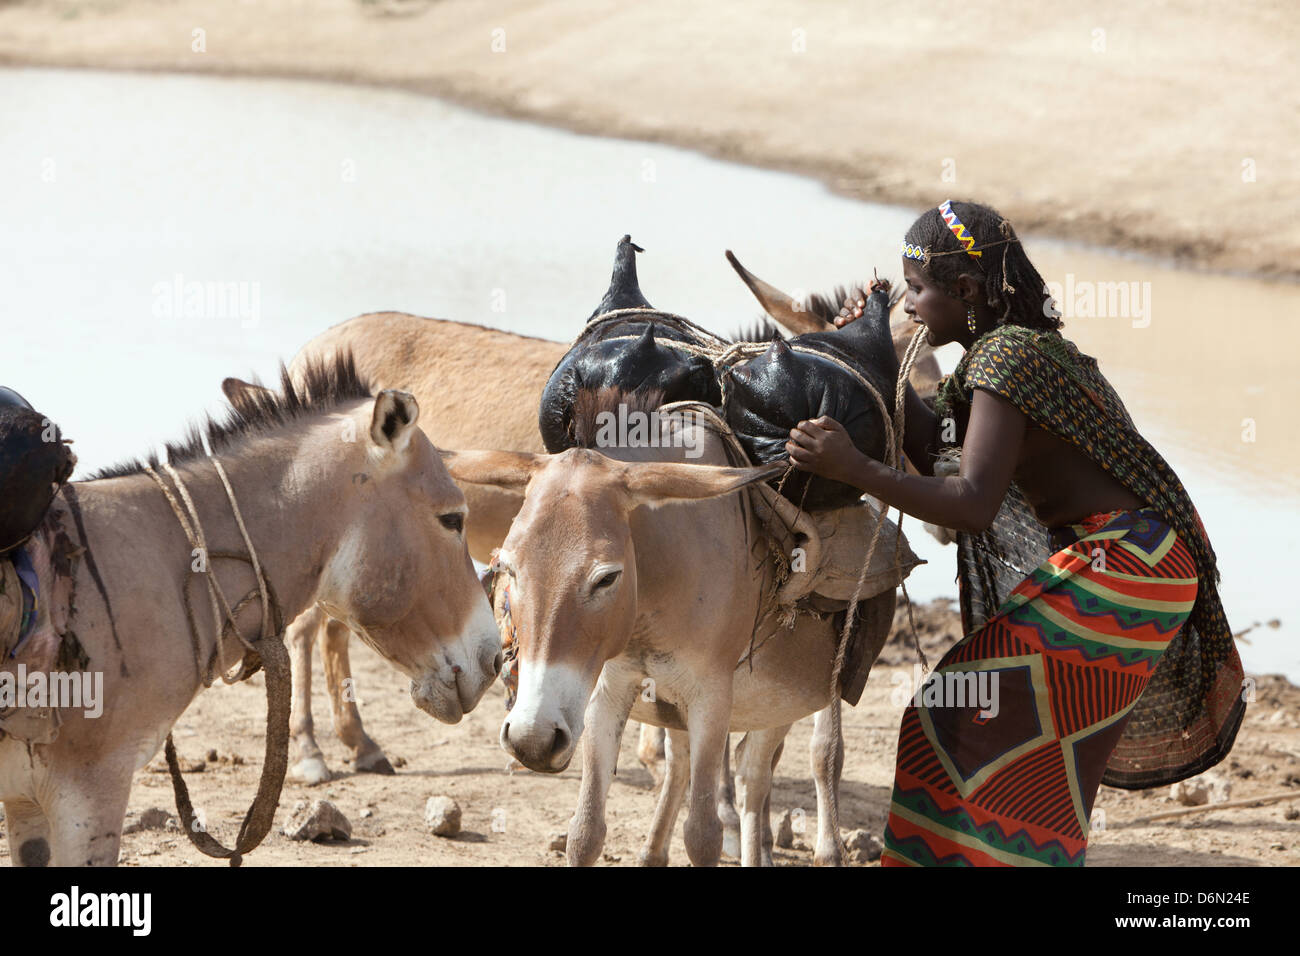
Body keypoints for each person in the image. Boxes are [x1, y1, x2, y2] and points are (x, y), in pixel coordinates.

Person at [785, 199, 1245, 866]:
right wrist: (870, 352)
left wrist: (852, 466)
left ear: (967, 291)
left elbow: (969, 503)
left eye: (919, 291)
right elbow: (929, 442)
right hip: (1144, 567)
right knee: (1040, 759)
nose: (910, 308)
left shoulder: (1006, 362)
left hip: (1127, 567)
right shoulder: (1010, 355)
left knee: (947, 711)